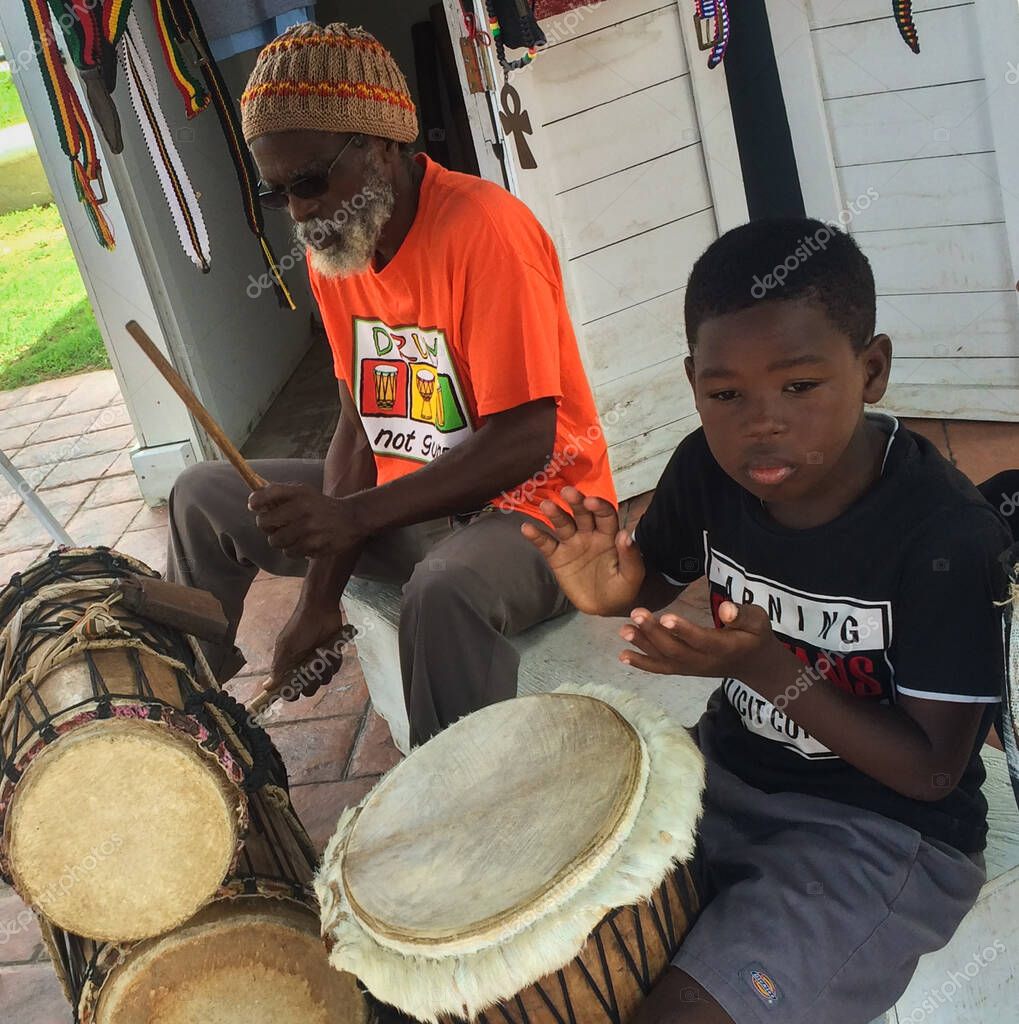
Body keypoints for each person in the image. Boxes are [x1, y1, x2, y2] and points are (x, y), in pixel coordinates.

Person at [524, 219, 1013, 1024]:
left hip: (882, 838)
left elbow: (930, 771)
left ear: (871, 369)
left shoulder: (943, 538)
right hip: (725, 775)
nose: (761, 422)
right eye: (725, 395)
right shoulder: (705, 472)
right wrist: (611, 590)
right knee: (541, 951)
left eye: (798, 386)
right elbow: (652, 579)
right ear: (692, 383)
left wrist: (763, 667)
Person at [164, 21, 616, 745]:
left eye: (311, 182)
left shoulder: (486, 232)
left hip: (540, 518)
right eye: (278, 194)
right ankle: (183, 718)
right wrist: (318, 598)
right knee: (201, 495)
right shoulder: (335, 252)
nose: (304, 212)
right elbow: (357, 427)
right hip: (413, 510)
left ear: (380, 145)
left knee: (445, 586)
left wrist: (355, 518)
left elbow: (525, 443)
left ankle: (460, 803)